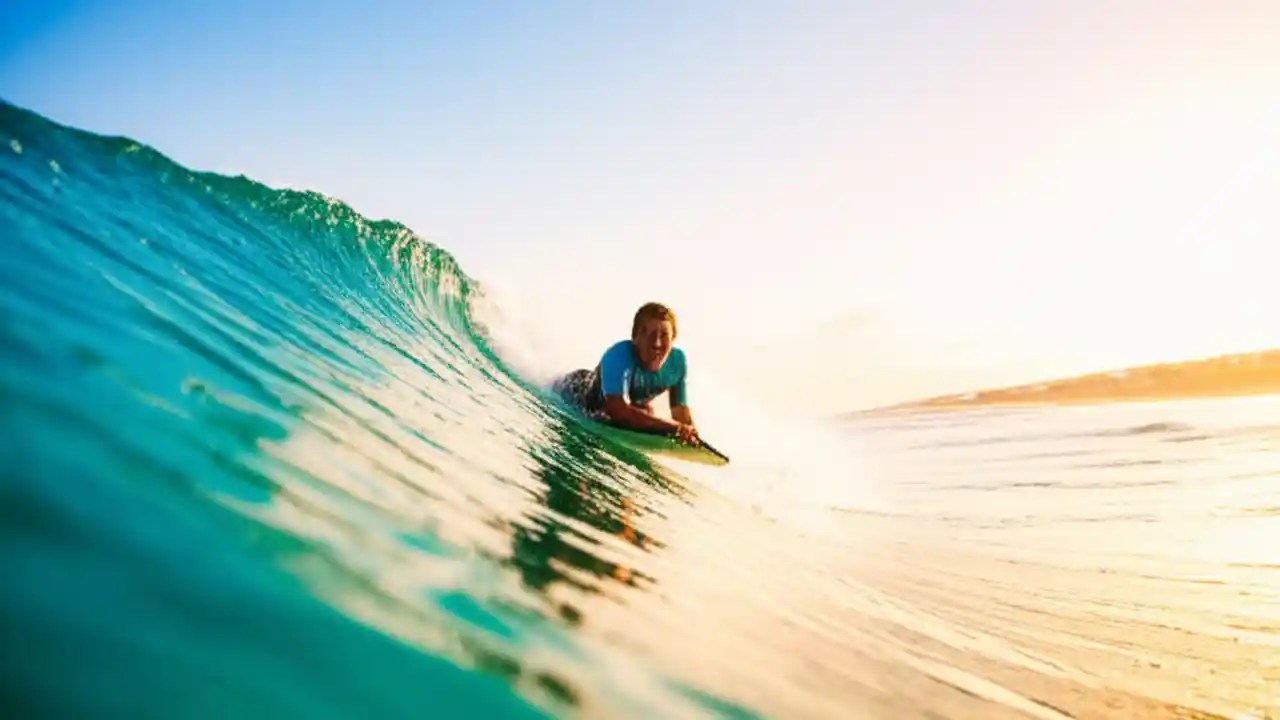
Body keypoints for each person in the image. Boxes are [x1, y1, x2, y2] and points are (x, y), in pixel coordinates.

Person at [552, 302, 699, 445]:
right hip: (578, 393)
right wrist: (675, 428)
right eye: (650, 334)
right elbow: (618, 410)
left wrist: (691, 434)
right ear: (635, 337)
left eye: (664, 335)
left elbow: (680, 411)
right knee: (617, 417)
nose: (657, 343)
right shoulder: (618, 355)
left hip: (627, 405)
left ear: (673, 339)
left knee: (648, 412)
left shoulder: (677, 363)